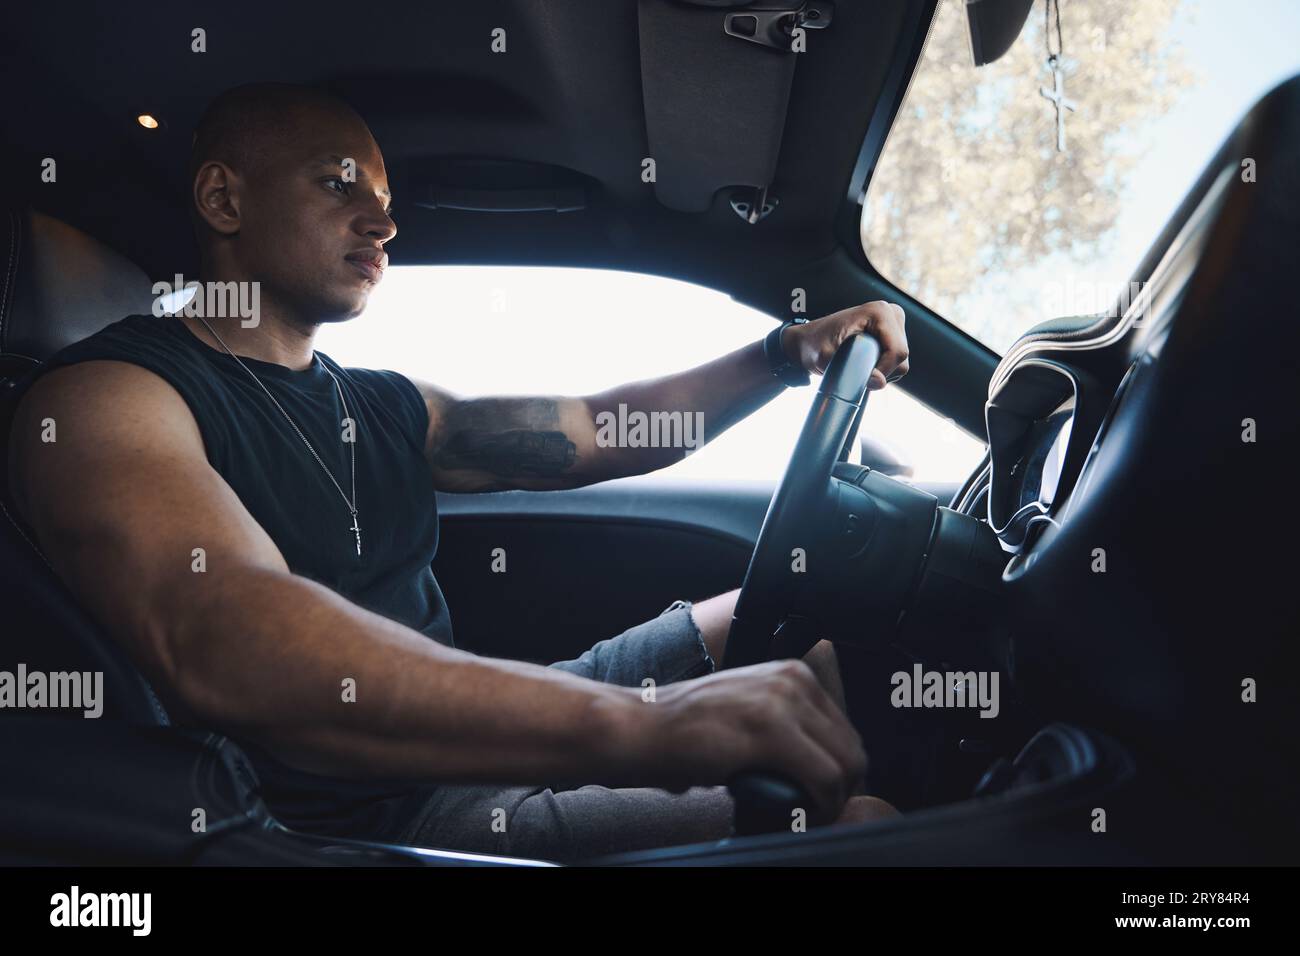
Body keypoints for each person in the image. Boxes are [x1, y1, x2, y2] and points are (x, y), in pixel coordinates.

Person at [7, 83, 909, 862]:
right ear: (222, 199)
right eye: (338, 183)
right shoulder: (104, 400)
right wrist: (644, 725)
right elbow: (222, 627)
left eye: (387, 197)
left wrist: (783, 353)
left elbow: (598, 429)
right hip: (369, 817)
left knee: (808, 633)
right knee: (851, 822)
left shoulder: (387, 404)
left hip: (456, 735)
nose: (385, 221)